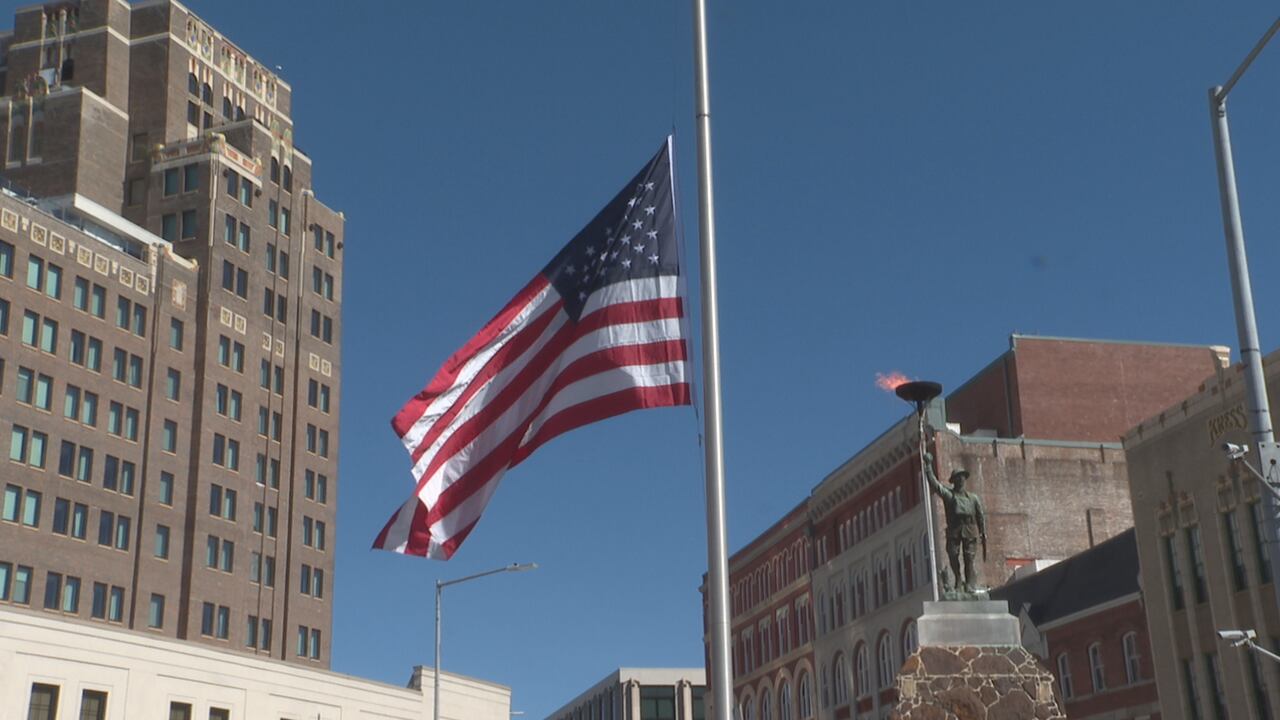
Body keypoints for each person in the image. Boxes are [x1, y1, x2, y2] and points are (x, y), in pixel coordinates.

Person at [923, 450, 986, 593]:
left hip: (970, 529)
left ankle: (970, 584)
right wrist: (928, 465)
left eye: (962, 477)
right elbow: (934, 484)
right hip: (954, 529)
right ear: (954, 480)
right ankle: (958, 578)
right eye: (958, 477)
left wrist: (983, 531)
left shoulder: (973, 498)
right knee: (953, 555)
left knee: (969, 558)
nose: (961, 480)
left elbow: (980, 514)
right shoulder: (949, 495)